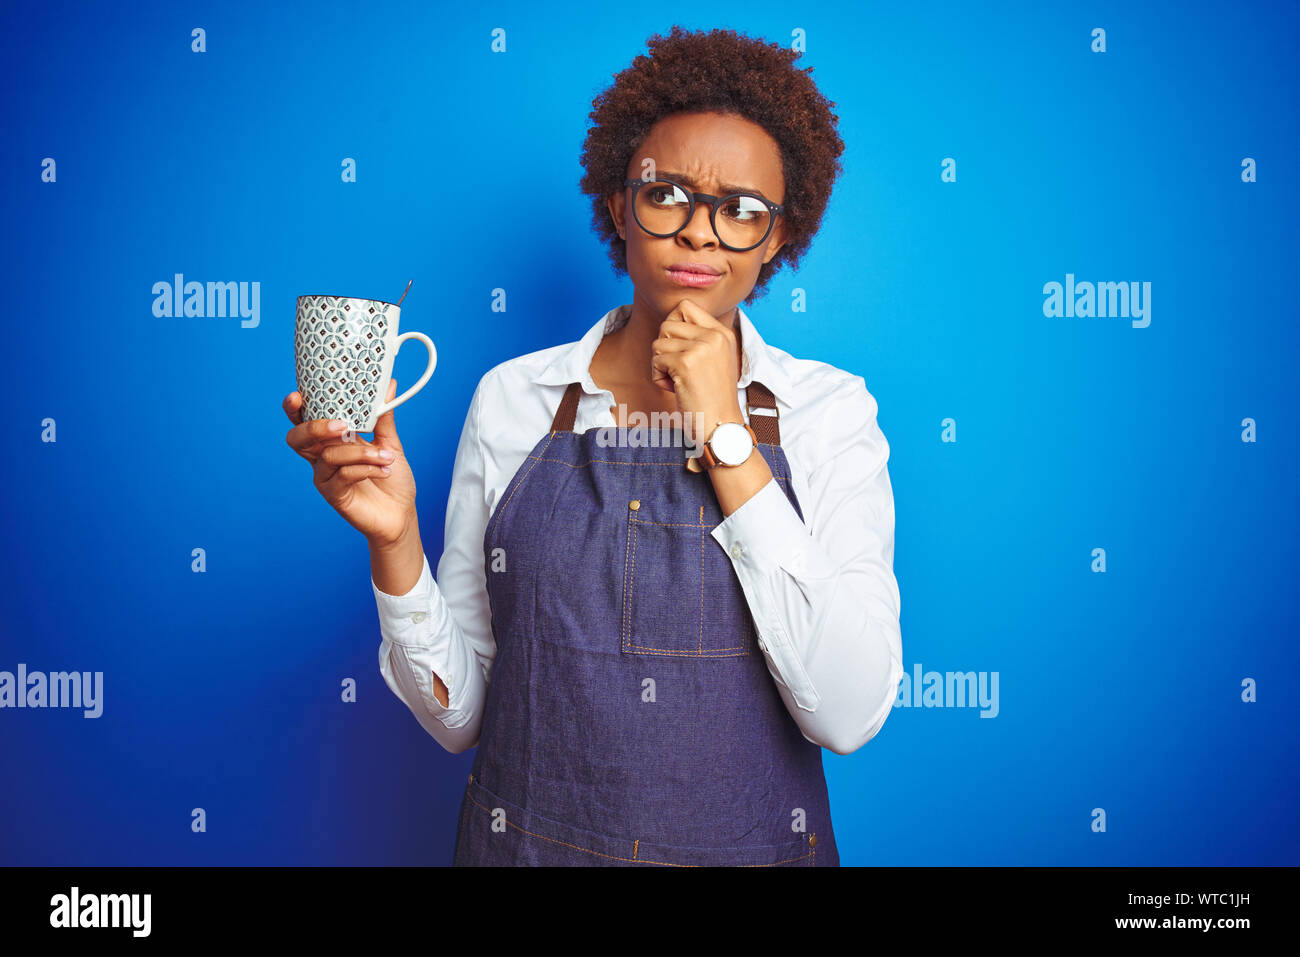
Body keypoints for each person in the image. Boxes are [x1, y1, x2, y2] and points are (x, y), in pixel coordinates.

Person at [283, 25, 903, 866]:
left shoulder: (829, 413)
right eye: (666, 195)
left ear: (779, 239)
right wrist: (395, 543)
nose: (699, 233)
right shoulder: (513, 400)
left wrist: (727, 435)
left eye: (742, 212)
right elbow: (462, 718)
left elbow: (849, 712)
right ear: (620, 206)